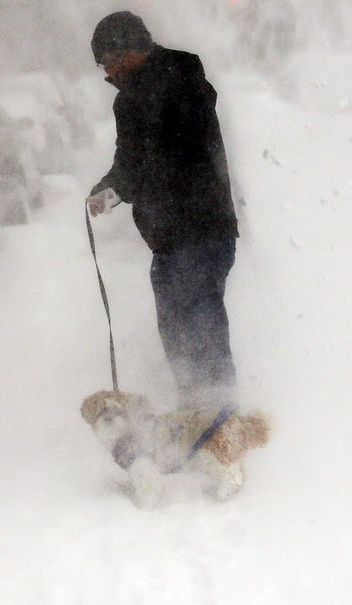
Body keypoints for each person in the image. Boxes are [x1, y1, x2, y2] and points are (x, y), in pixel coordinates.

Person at [86, 11, 240, 412]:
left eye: (111, 60)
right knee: (179, 337)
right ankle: (198, 419)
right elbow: (131, 159)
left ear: (131, 50)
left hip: (200, 233)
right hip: (171, 241)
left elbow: (166, 154)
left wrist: (123, 187)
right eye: (104, 66)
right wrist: (109, 188)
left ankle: (221, 427)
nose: (109, 71)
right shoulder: (134, 97)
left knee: (202, 337)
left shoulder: (178, 79)